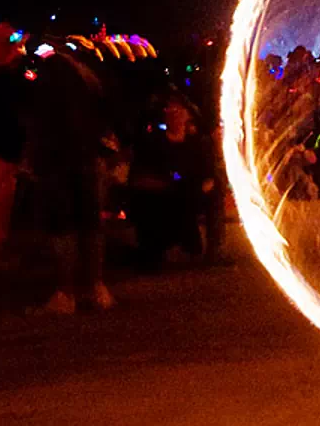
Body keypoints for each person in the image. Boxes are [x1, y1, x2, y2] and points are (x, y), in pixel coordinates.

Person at [26, 49, 116, 312]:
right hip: (86, 156)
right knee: (89, 225)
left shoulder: (48, 83)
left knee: (62, 227)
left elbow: (39, 122)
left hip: (56, 160)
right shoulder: (88, 81)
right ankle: (96, 288)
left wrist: (34, 158)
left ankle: (65, 293)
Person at [129, 94, 217, 268]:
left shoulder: (195, 143)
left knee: (192, 196)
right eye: (170, 110)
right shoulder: (154, 142)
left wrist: (203, 186)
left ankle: (200, 247)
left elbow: (207, 173)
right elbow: (141, 174)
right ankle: (160, 247)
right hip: (161, 193)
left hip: (188, 193)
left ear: (188, 115)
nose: (174, 114)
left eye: (178, 110)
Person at [0, 20, 26, 258]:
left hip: (3, 144)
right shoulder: (2, 78)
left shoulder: (2, 75)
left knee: (2, 194)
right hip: (1, 145)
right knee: (1, 194)